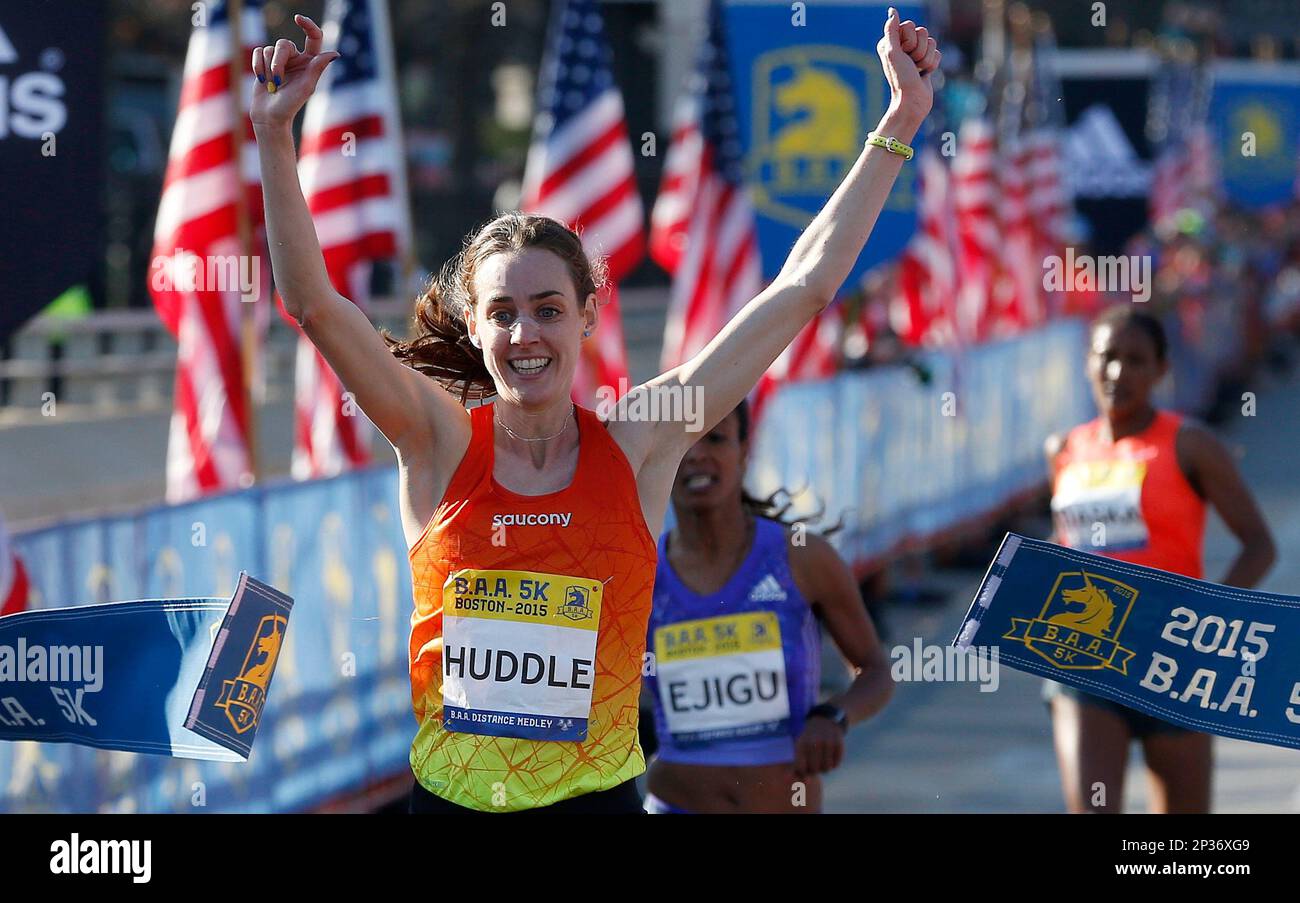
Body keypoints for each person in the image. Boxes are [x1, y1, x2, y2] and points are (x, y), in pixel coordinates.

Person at [251, 8, 940, 813]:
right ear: (473, 325)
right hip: (451, 803)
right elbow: (313, 305)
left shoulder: (643, 440)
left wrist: (898, 123)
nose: (524, 334)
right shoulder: (433, 440)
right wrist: (273, 135)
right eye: (502, 313)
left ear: (587, 317)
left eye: (548, 308)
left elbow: (802, 288)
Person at [1044, 306, 1276, 814]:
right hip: (1086, 659)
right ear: (1088, 363)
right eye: (1107, 357)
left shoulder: (1190, 444)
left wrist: (1206, 616)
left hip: (1174, 663)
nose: (1118, 372)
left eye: (1135, 360)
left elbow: (1259, 544)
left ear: (1161, 370)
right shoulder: (1065, 450)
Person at [642, 400, 892, 814]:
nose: (698, 454)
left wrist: (833, 717)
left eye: (716, 438)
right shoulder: (641, 572)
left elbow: (875, 671)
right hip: (674, 803)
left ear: (745, 448)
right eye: (682, 442)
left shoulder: (802, 558)